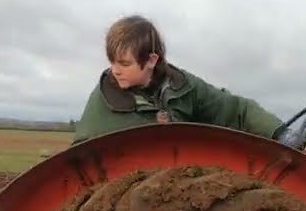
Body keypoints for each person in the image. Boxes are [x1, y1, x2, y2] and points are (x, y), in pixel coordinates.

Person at [71, 15, 288, 145]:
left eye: (124, 64)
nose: (115, 71)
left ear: (151, 60)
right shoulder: (105, 100)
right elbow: (81, 158)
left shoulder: (182, 86)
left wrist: (279, 132)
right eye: (112, 62)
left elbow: (237, 109)